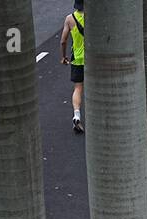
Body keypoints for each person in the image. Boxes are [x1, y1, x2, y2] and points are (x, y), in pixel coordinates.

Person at [59, 0, 86, 133]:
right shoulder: (94, 17)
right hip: (93, 59)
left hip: (77, 59)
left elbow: (63, 41)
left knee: (78, 88)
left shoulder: (70, 19)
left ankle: (77, 115)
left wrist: (63, 57)